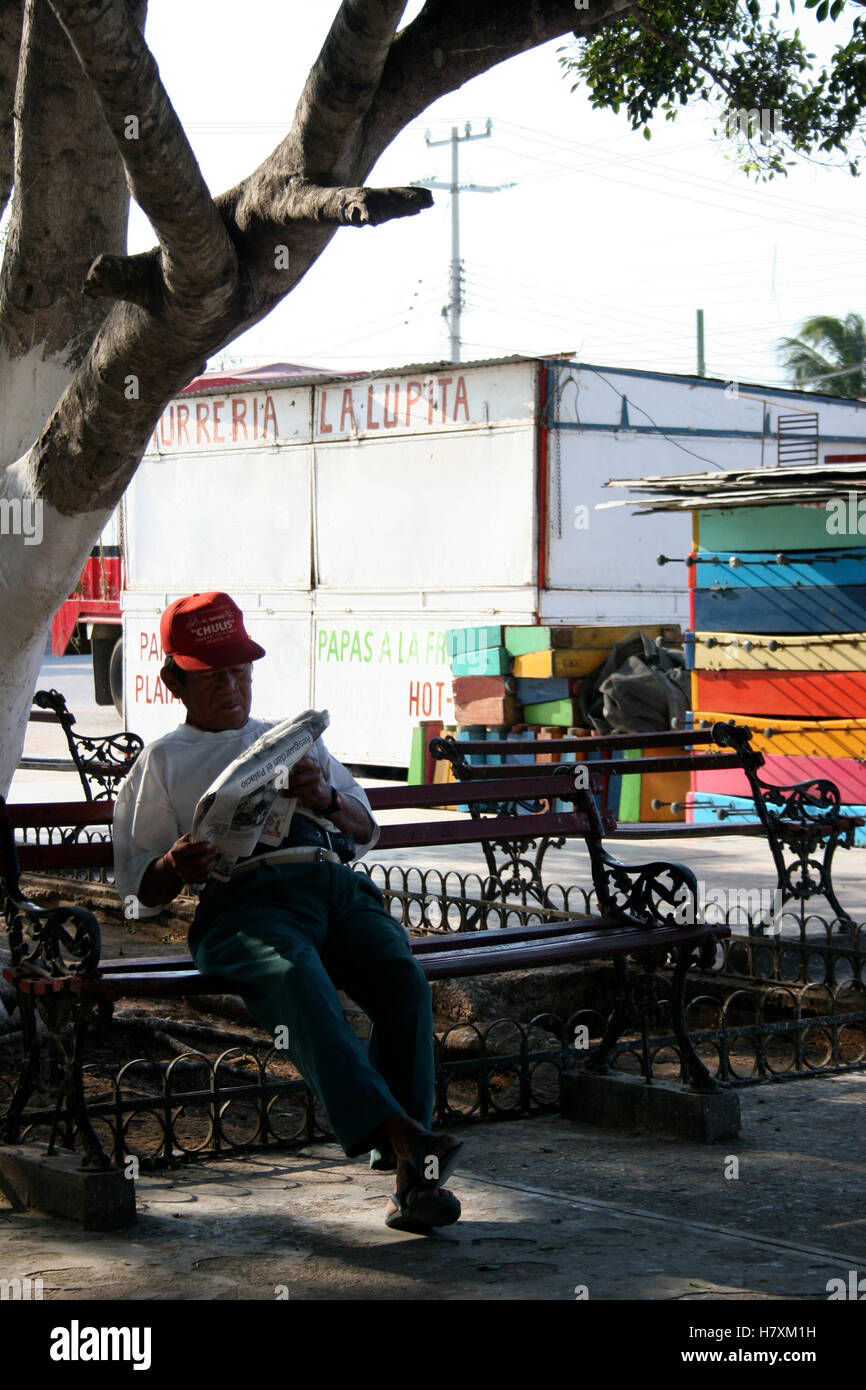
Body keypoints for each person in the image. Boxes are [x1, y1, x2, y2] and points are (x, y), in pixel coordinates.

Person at [113, 591, 461, 1233]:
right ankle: (404, 1138)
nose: (231, 686)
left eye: (241, 670)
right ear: (173, 682)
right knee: (296, 978)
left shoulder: (289, 742)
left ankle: (412, 1171)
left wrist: (324, 795)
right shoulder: (161, 761)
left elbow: (365, 829)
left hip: (332, 886)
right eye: (212, 674)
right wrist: (173, 866)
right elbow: (135, 893)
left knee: (401, 979)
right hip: (246, 904)